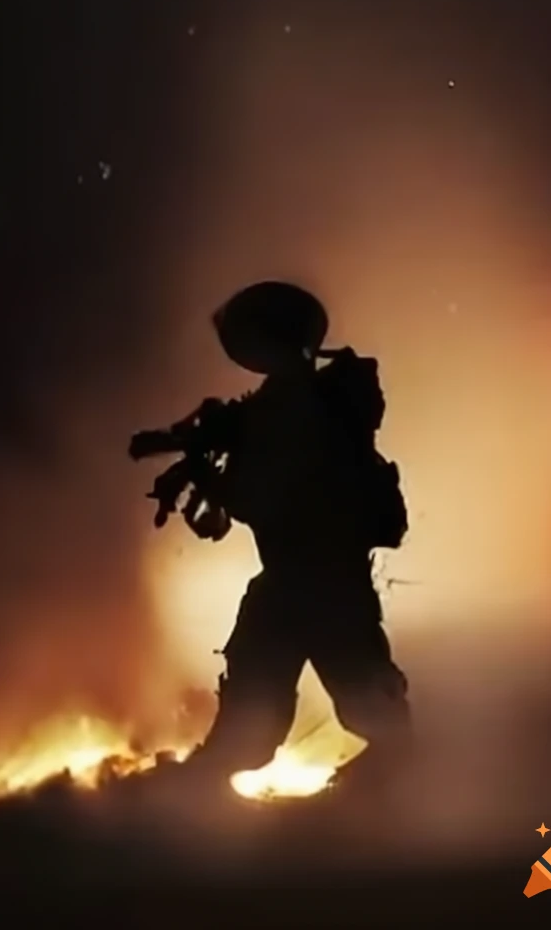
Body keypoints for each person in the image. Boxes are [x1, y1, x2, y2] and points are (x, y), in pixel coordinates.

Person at [130, 281, 410, 793]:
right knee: (264, 727)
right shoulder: (300, 405)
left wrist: (206, 471)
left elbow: (258, 496)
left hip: (318, 588)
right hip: (307, 588)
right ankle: (193, 809)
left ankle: (401, 804)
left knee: (367, 714)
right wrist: (190, 445)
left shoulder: (301, 413)